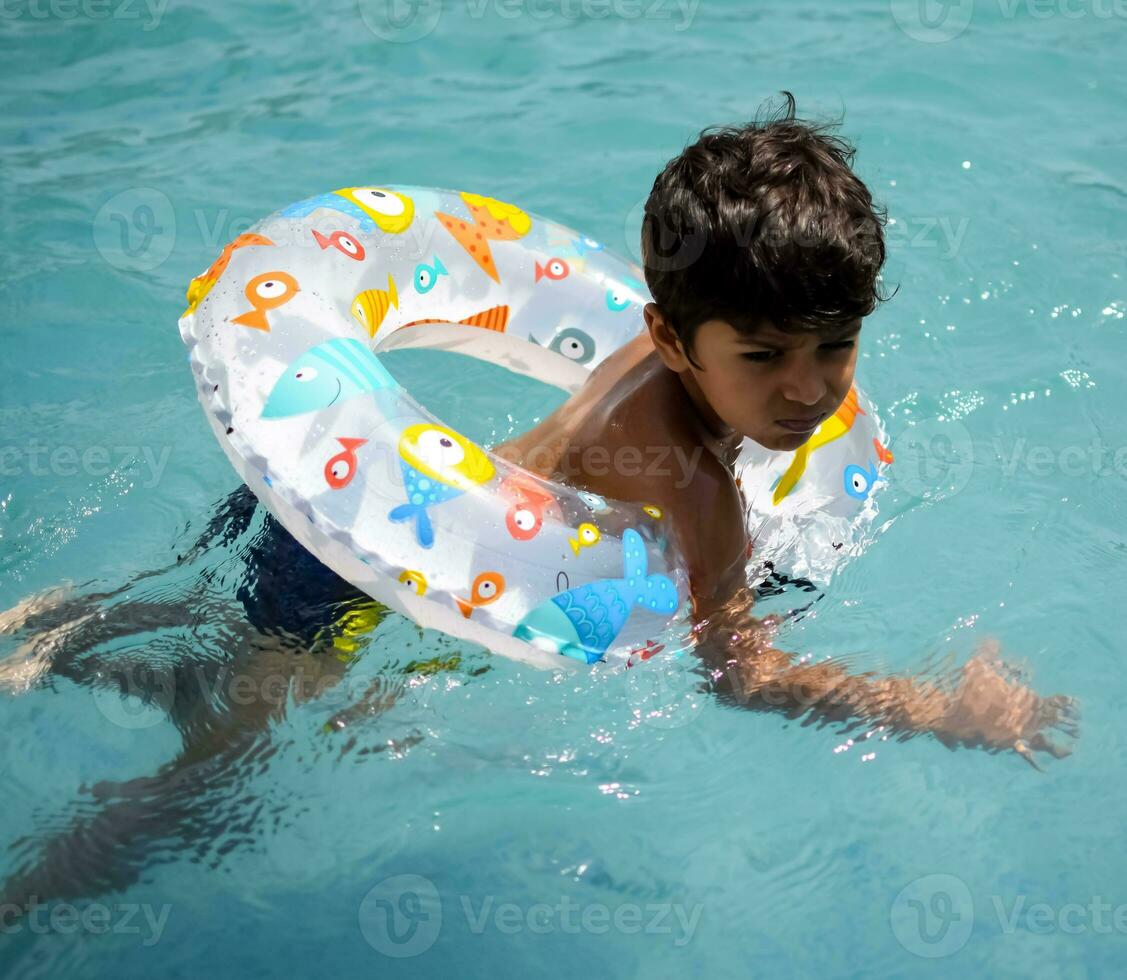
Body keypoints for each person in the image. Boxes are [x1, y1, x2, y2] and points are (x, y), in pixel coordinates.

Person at [494, 92, 1076, 767]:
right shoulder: (694, 488)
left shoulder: (662, 354)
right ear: (671, 339)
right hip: (462, 605)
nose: (809, 389)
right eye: (763, 356)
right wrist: (938, 711)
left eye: (835, 343)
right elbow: (739, 675)